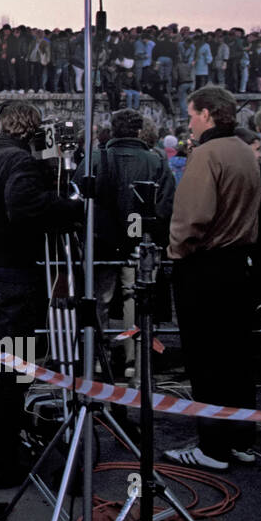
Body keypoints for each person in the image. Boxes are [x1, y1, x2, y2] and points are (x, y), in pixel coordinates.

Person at [0, 101, 84, 487]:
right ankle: (4, 465)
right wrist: (72, 206)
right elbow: (24, 208)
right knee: (11, 371)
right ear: (32, 129)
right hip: (12, 274)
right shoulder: (20, 162)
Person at [163, 86, 261, 471]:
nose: (189, 121)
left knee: (207, 361)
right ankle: (241, 441)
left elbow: (192, 219)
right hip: (239, 265)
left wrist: (176, 252)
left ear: (206, 114)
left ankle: (212, 448)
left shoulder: (206, 155)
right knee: (237, 360)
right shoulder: (244, 151)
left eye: (191, 113)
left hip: (206, 268)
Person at [75, 108, 176, 377]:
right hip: (142, 240)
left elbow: (76, 200)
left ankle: (100, 356)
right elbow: (166, 204)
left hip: (101, 241)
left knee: (98, 299)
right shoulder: (155, 161)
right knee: (137, 299)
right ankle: (135, 359)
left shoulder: (95, 158)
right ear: (139, 130)